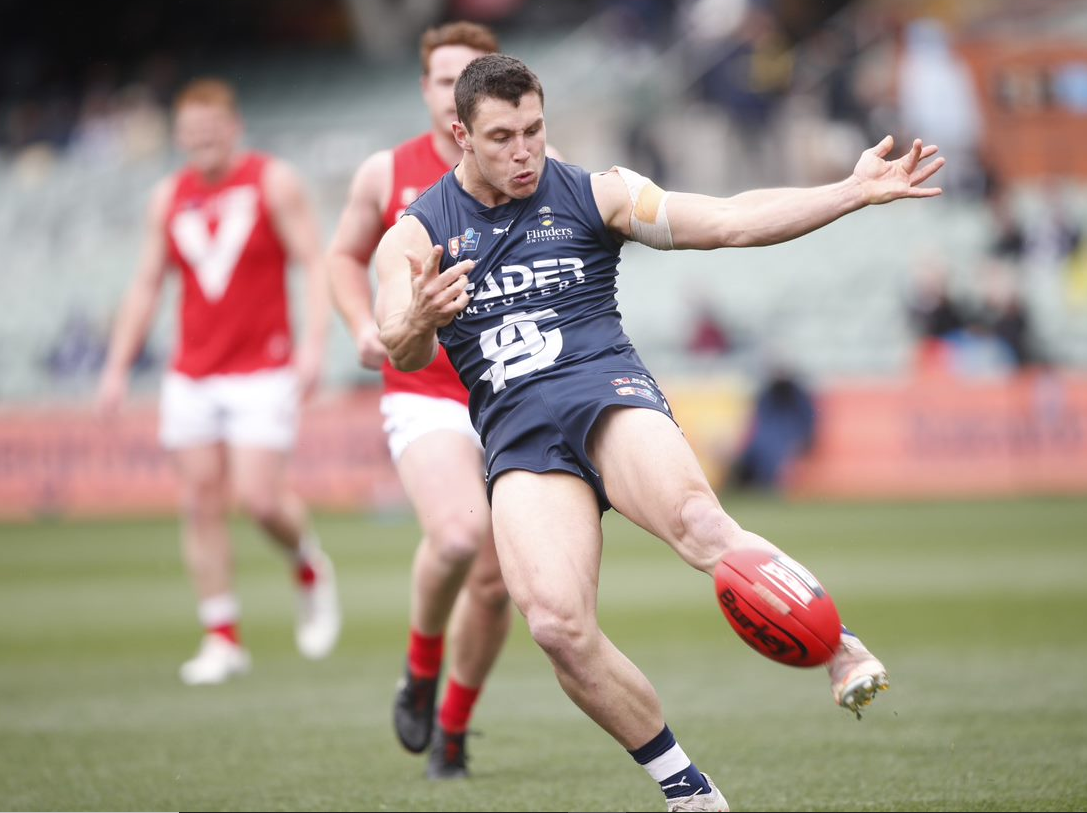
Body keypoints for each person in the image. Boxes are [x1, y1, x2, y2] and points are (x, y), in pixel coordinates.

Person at [373, 54, 945, 811]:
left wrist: (851, 190)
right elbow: (397, 343)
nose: (524, 151)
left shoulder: (592, 192)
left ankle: (838, 647)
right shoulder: (415, 235)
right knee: (553, 625)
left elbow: (730, 221)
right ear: (460, 135)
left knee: (698, 521)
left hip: (604, 395)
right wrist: (419, 315)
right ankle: (688, 790)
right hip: (518, 437)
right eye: (503, 136)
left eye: (535, 130)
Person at [327, 22, 554, 779]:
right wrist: (366, 323)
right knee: (458, 536)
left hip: (512, 393)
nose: (447, 91)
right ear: (429, 92)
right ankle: (420, 667)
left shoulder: (534, 169)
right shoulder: (385, 174)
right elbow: (342, 253)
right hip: (424, 391)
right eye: (436, 77)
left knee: (495, 584)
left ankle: (452, 727)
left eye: (464, 75)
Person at [96, 78, 341, 686]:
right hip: (192, 372)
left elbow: (314, 262)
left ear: (233, 128)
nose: (201, 144)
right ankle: (222, 635)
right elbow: (147, 283)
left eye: (211, 131)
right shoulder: (168, 196)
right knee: (199, 501)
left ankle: (307, 563)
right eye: (190, 135)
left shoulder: (272, 181)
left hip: (263, 366)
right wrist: (116, 366)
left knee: (259, 499)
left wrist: (314, 346)